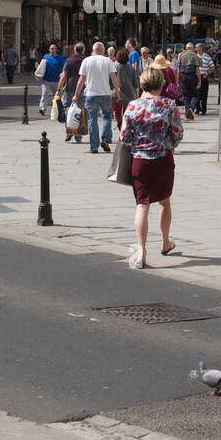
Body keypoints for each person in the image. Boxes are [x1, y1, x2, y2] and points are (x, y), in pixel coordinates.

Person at [120, 65, 184, 269]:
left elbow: (124, 137)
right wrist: (168, 144)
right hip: (163, 159)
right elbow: (178, 133)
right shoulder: (169, 105)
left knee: (142, 205)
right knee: (164, 201)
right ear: (161, 83)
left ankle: (141, 252)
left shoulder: (132, 106)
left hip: (140, 161)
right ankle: (165, 242)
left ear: (142, 83)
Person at [73, 41, 120, 154]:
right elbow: (113, 77)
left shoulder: (86, 61)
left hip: (90, 94)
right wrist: (117, 92)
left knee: (92, 119)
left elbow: (81, 80)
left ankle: (94, 146)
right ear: (103, 50)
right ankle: (106, 139)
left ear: (93, 50)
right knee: (107, 116)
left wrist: (76, 95)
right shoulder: (107, 61)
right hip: (105, 93)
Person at [58, 43, 86, 142]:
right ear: (83, 50)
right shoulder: (85, 60)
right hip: (82, 89)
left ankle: (69, 131)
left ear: (75, 50)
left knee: (68, 111)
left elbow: (64, 76)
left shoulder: (69, 60)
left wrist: (58, 89)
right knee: (80, 111)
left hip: (69, 88)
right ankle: (78, 136)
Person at [177, 40, 201, 121]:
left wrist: (177, 81)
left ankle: (188, 115)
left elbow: (178, 70)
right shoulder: (195, 55)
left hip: (184, 77)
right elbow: (197, 69)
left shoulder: (182, 56)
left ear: (186, 48)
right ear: (193, 48)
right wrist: (199, 80)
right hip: (192, 76)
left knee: (186, 96)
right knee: (195, 95)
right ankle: (191, 107)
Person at [113, 46, 138, 126]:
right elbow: (135, 85)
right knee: (127, 113)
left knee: (117, 111)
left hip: (117, 93)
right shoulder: (131, 69)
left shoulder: (114, 68)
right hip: (130, 94)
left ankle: (120, 124)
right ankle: (125, 127)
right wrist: (137, 97)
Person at [38, 43, 64, 115]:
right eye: (51, 49)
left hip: (56, 81)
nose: (53, 50)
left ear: (56, 50)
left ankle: (59, 109)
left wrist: (63, 76)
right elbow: (41, 66)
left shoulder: (60, 58)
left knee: (57, 96)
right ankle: (42, 108)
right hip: (46, 80)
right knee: (44, 94)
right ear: (49, 50)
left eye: (54, 49)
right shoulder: (45, 57)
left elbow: (63, 69)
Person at [194, 43, 215, 115]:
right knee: (197, 94)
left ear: (201, 48)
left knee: (204, 94)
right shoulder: (195, 57)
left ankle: (203, 110)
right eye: (195, 48)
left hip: (204, 77)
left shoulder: (207, 56)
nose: (196, 49)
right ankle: (197, 108)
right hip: (197, 77)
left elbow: (212, 67)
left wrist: (207, 73)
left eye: (197, 48)